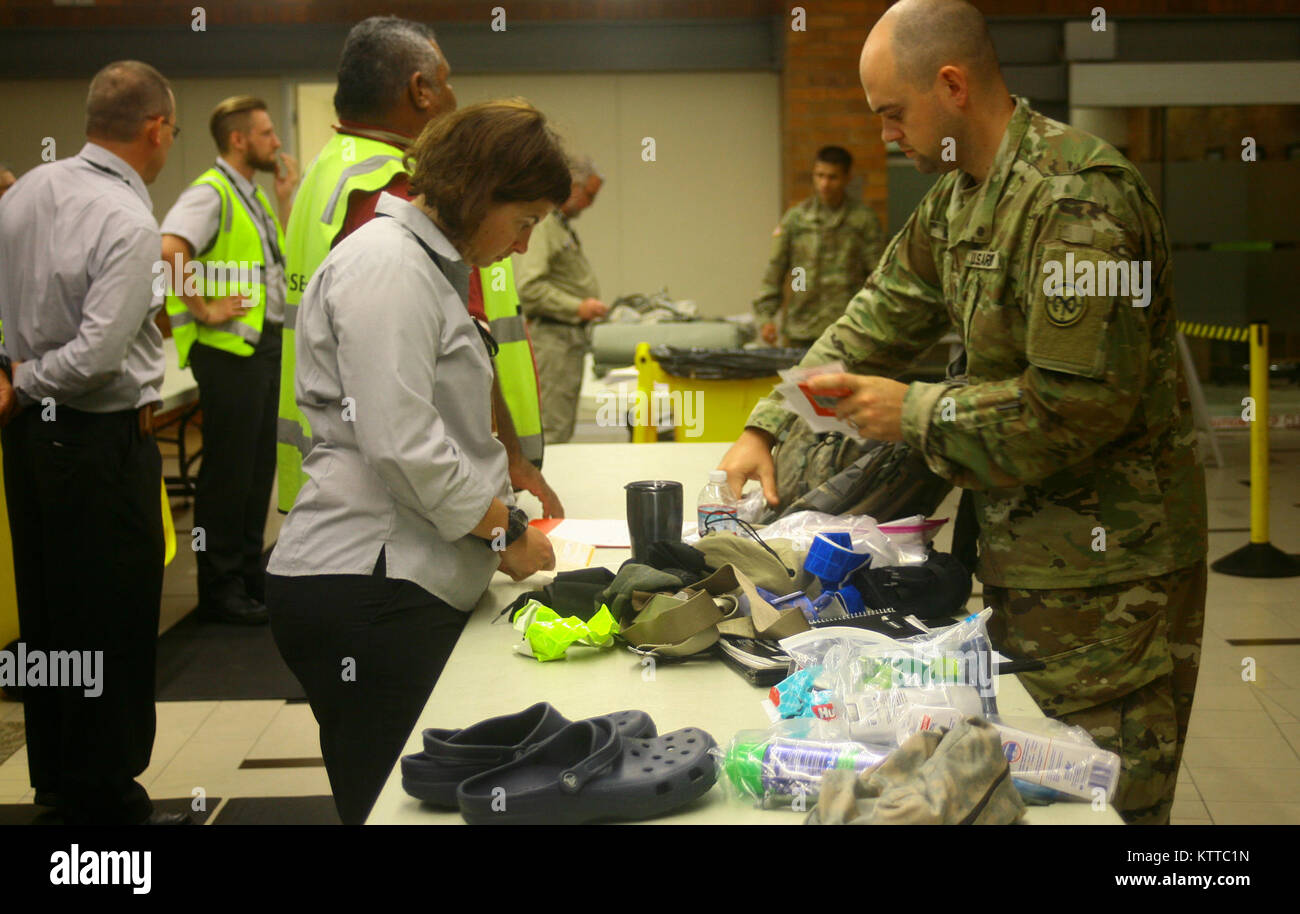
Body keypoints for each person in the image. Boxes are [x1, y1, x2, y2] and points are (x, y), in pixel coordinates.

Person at [719, 0, 1207, 825]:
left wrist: (911, 410)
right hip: (1021, 564)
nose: (885, 137)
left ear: (951, 85)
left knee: (1107, 806)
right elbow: (873, 318)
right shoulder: (957, 200)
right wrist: (767, 422)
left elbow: (1077, 408)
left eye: (892, 114)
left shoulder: (1077, 201)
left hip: (1112, 581)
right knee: (1036, 796)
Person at [265, 99, 563, 825]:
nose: (524, 245)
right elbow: (402, 444)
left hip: (395, 575)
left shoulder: (426, 267)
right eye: (523, 221)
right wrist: (504, 531)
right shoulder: (387, 267)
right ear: (478, 190)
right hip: (366, 585)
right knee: (400, 807)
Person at [0, 60, 189, 825]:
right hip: (97, 444)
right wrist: (30, 376)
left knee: (50, 617)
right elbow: (94, 359)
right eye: (171, 130)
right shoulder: (127, 221)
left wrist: (12, 376)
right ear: (154, 129)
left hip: (28, 447)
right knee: (112, 621)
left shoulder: (28, 193)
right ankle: (108, 799)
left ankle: (59, 778)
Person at [277, 16, 562, 519]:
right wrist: (509, 470)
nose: (453, 96)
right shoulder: (394, 186)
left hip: (349, 476)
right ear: (421, 90)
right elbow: (459, 342)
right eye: (447, 80)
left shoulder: (330, 167)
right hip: (395, 502)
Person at [160, 96, 299, 624]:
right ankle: (219, 588)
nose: (276, 141)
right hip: (227, 353)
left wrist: (285, 199)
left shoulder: (253, 196)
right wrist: (204, 306)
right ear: (238, 140)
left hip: (259, 348)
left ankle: (245, 574)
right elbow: (170, 248)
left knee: (256, 468)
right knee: (228, 474)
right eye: (266, 133)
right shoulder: (211, 192)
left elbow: (273, 264)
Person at [514, 156, 606, 444]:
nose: (591, 204)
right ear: (571, 187)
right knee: (552, 430)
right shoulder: (544, 226)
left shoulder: (561, 226)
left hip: (567, 341)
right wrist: (577, 307)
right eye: (589, 195)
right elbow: (529, 287)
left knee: (561, 425)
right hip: (553, 341)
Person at [754, 146, 884, 348]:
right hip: (802, 327)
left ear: (847, 178)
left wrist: (876, 319)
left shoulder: (863, 220)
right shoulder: (796, 219)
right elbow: (775, 269)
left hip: (848, 327)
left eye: (832, 177)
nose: (824, 184)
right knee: (799, 379)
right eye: (819, 175)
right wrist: (766, 316)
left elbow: (877, 275)